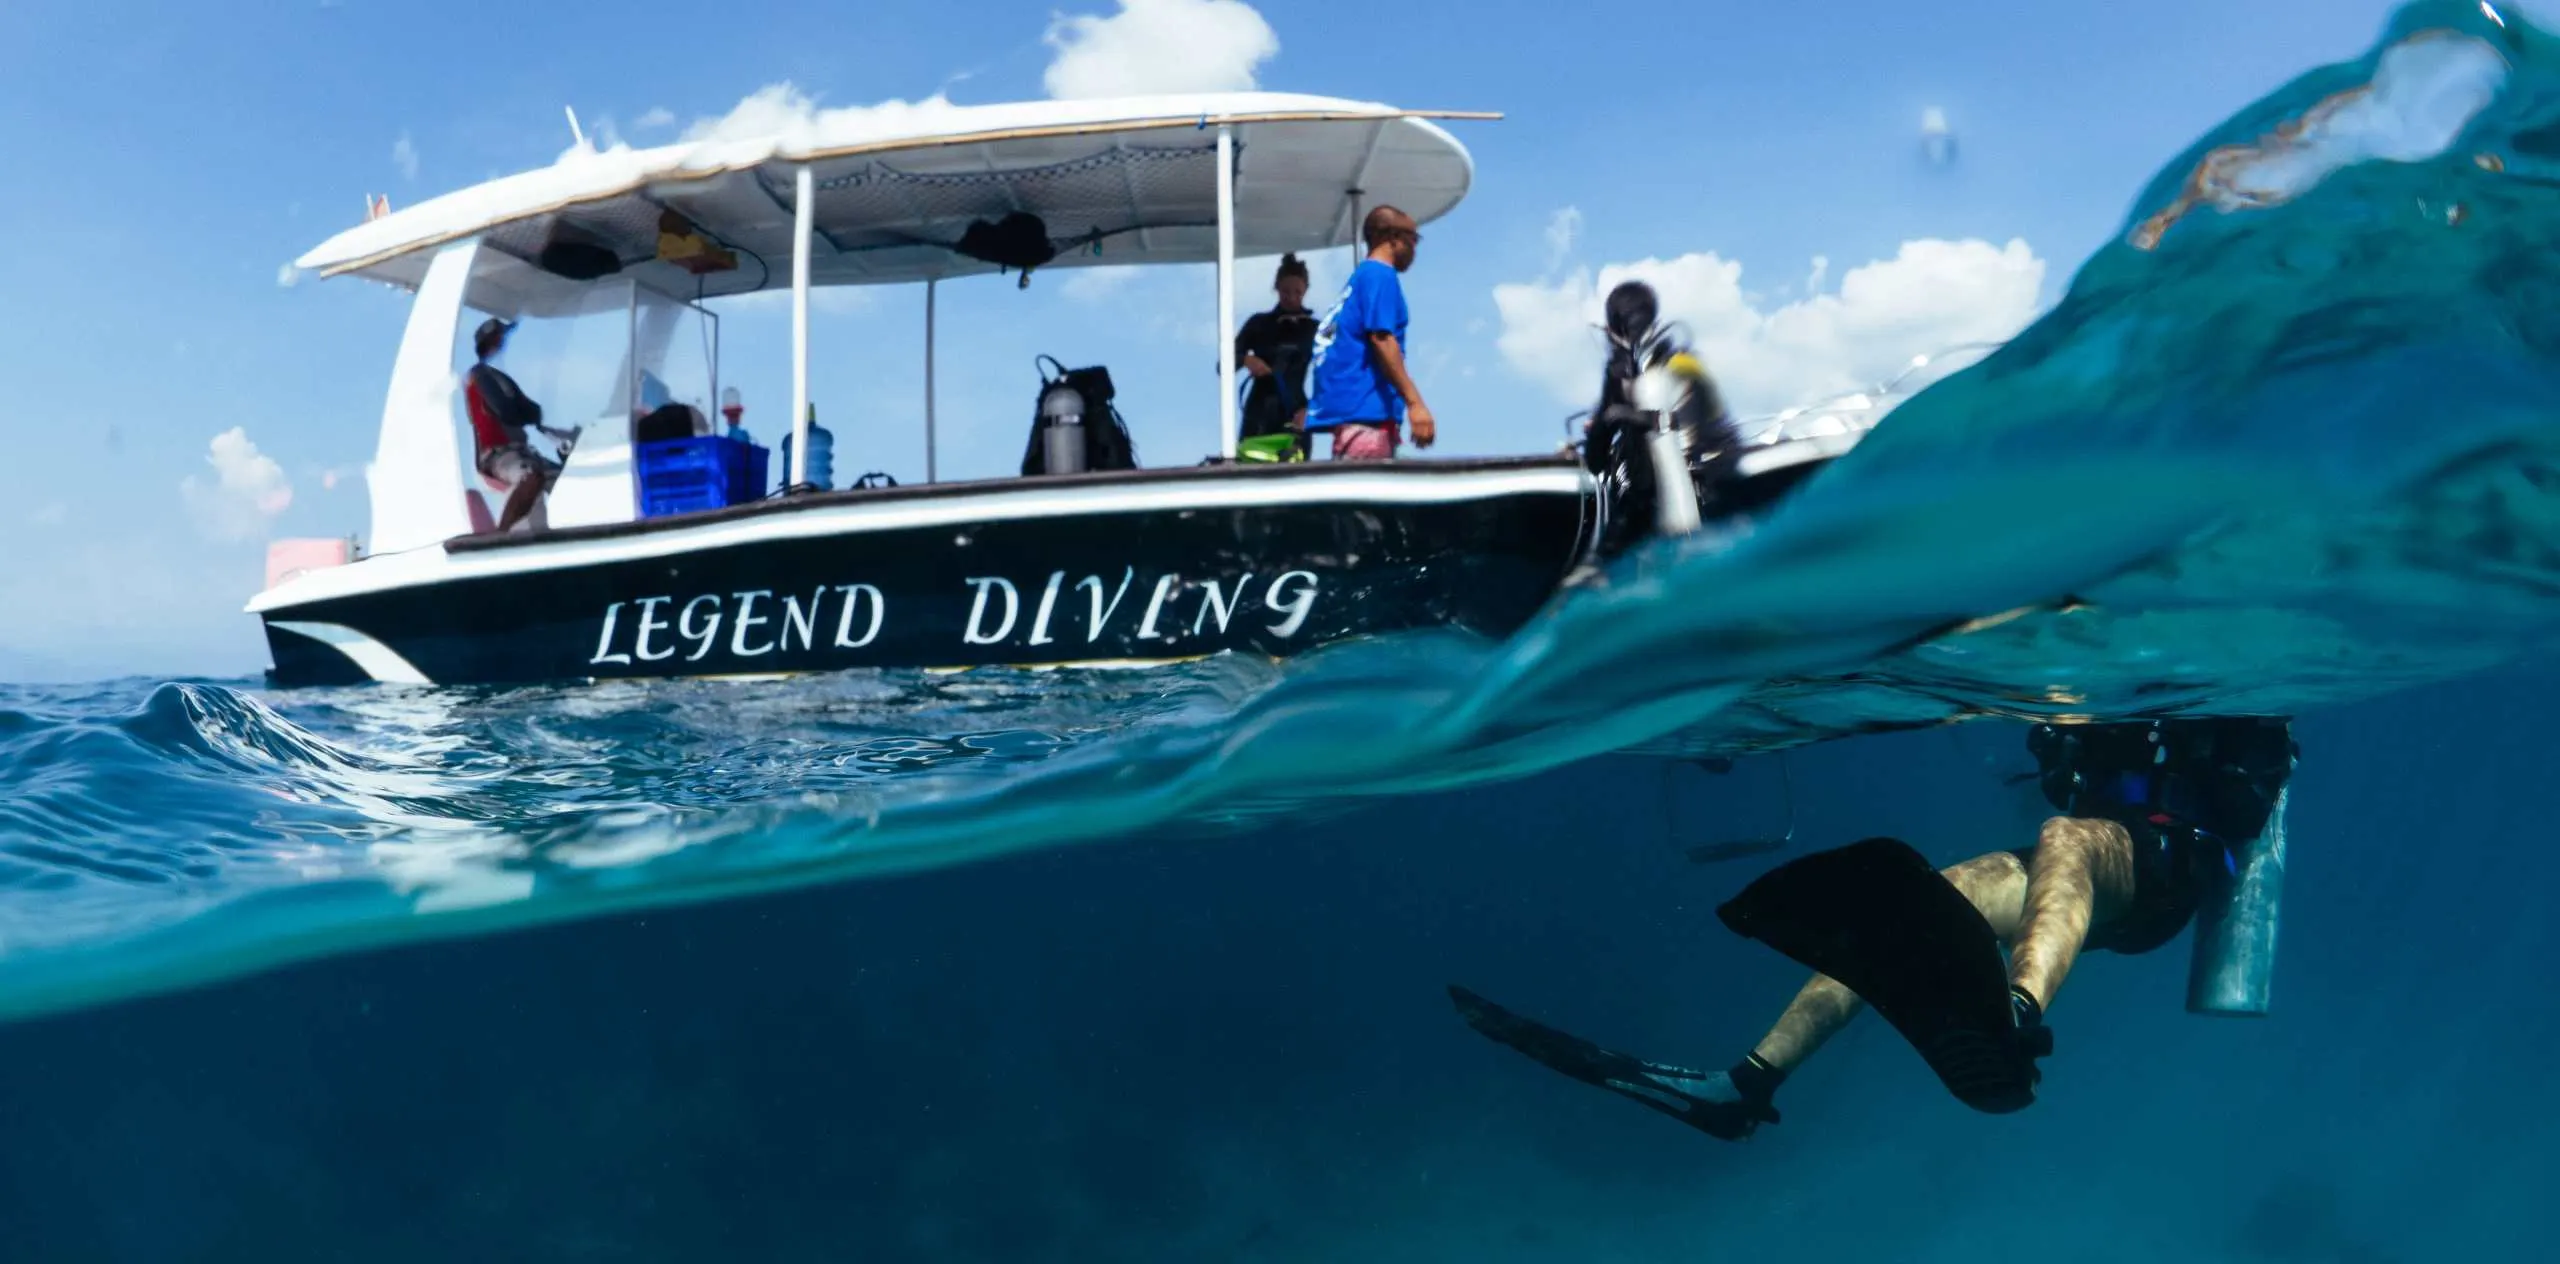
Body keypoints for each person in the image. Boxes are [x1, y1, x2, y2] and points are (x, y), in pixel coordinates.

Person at [1450, 716, 2299, 1138]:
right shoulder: (2097, 664)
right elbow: (2061, 778)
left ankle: (2016, 1014)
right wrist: (2065, 733)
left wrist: (2193, 740)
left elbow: (2242, 806)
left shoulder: (2234, 694)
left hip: (2168, 868)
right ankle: (1743, 1086)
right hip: (2082, 875)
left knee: (2064, 838)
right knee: (1911, 913)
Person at [1305, 206, 1435, 460]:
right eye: (1413, 239)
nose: (1415, 249)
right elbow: (1382, 338)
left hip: (1353, 419)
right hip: (1367, 417)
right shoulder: (1380, 276)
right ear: (1393, 238)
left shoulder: (1359, 279)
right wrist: (1415, 403)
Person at [464, 318, 577, 533]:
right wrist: (524, 414)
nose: (503, 342)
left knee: (568, 478)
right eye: (500, 337)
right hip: (498, 456)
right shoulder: (479, 375)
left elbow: (532, 410)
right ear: (492, 340)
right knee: (530, 475)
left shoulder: (501, 378)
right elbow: (506, 410)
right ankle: (502, 535)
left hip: (522, 452)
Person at [1234, 253, 1319, 457]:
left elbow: (1338, 368)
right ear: (1276, 288)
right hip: (1259, 415)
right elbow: (1223, 364)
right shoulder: (1258, 323)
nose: (1291, 298)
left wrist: (1314, 409)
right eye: (1285, 292)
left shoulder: (1317, 328)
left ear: (1305, 290)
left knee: (1297, 476)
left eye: (1297, 292)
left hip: (1297, 413)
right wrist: (1246, 360)